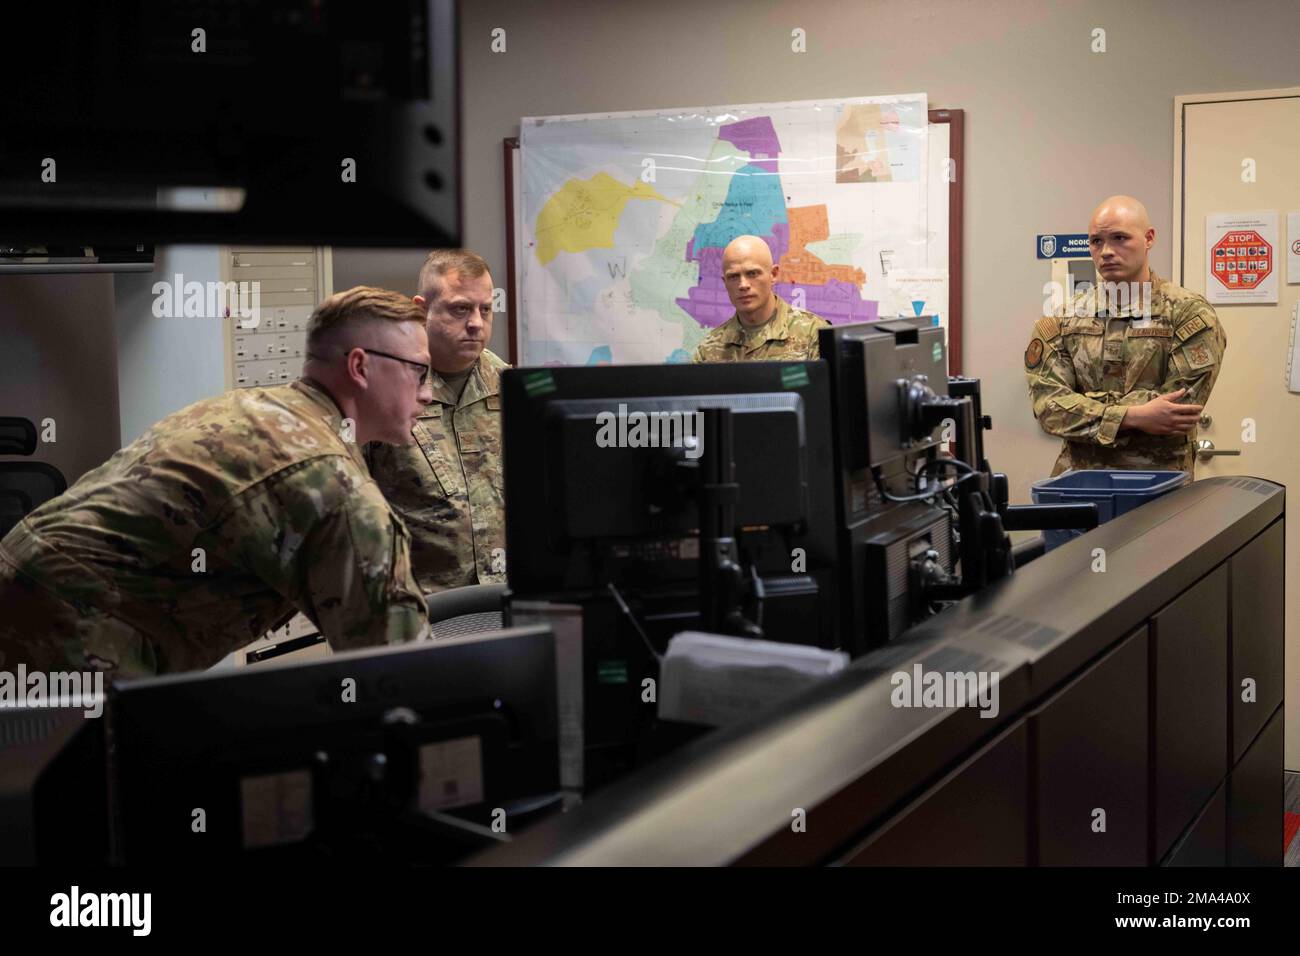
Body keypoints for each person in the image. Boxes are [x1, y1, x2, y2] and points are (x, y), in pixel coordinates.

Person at [0, 286, 434, 678]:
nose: (428, 393)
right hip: (67, 632)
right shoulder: (333, 485)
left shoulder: (250, 407)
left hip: (23, 586)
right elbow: (396, 671)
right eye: (420, 372)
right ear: (359, 366)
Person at [1026, 195, 1227, 476]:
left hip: (1159, 487)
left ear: (1149, 238)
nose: (1106, 251)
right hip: (1078, 487)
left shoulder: (1189, 315)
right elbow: (1049, 409)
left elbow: (1177, 411)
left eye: (1120, 238)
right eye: (1096, 241)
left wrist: (1085, 407)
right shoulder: (1062, 318)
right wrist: (1135, 416)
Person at [366, 250, 509, 592]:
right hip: (420, 610)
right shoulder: (382, 393)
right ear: (421, 309)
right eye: (460, 309)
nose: (476, 322)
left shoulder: (511, 388)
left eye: (485, 309)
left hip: (503, 601)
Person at [691, 235, 829, 362]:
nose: (743, 285)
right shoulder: (708, 350)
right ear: (725, 282)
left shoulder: (814, 334)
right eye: (733, 277)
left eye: (752, 273)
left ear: (773, 274)